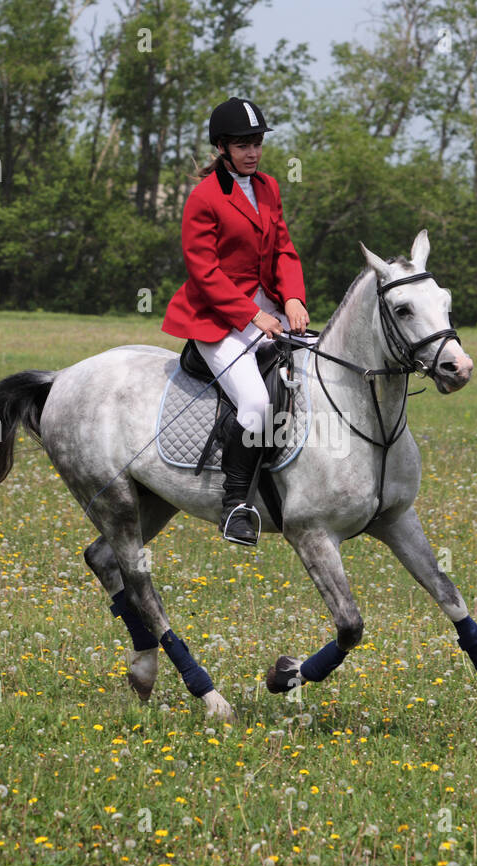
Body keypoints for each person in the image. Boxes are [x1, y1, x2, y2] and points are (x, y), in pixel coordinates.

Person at [161, 96, 310, 546]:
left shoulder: (267, 187)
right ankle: (235, 506)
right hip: (218, 320)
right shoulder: (203, 198)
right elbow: (204, 272)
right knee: (258, 405)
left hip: (271, 311)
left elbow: (283, 249)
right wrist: (253, 314)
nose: (252, 151)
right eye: (243, 144)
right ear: (222, 147)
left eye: (257, 142)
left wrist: (295, 297)